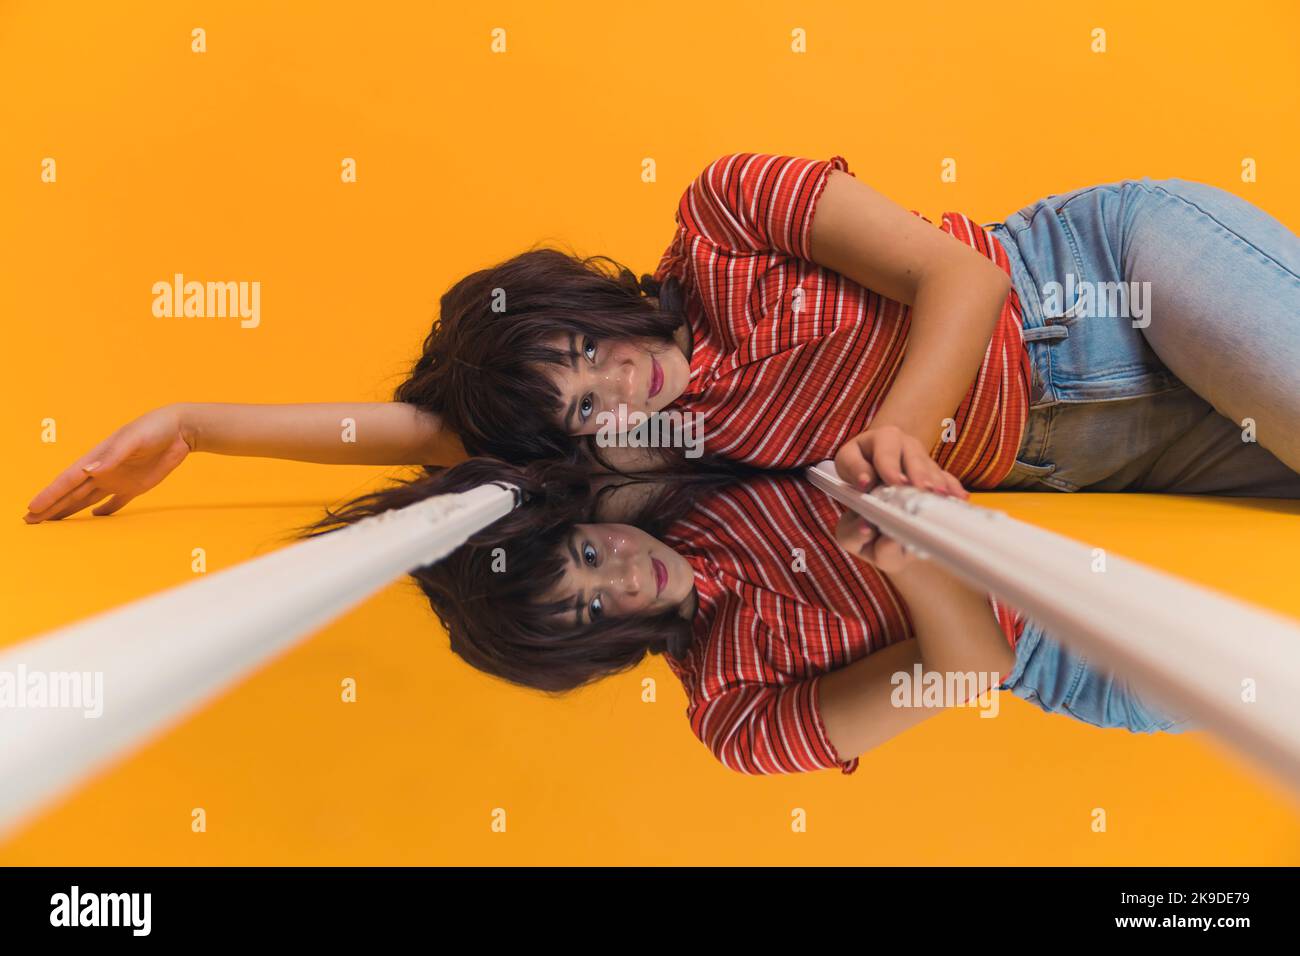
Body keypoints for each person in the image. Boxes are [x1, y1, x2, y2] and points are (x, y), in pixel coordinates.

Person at [25, 152, 1300, 523]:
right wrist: (192, 424)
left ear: (585, 299)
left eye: (576, 346)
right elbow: (413, 430)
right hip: (1090, 457)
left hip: (1099, 285)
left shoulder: (728, 212)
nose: (602, 380)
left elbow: (956, 272)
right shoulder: (688, 429)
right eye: (577, 404)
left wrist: (899, 431)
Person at [296, 456, 1194, 776]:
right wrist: (914, 569)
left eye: (586, 555)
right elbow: (973, 671)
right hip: (1080, 653)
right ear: (600, 651)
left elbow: (464, 425)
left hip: (1072, 480)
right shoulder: (734, 717)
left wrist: (200, 424)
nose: (625, 579)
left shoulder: (677, 487)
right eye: (593, 612)